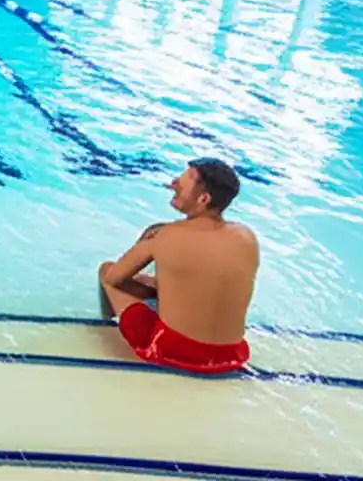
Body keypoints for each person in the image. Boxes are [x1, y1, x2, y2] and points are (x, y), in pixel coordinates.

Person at [99, 158, 258, 375]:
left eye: (181, 184)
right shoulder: (246, 237)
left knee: (106, 270)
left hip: (173, 353)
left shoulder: (165, 235)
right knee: (158, 283)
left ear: (203, 198)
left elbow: (115, 278)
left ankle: (104, 325)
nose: (173, 185)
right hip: (232, 355)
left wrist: (147, 239)